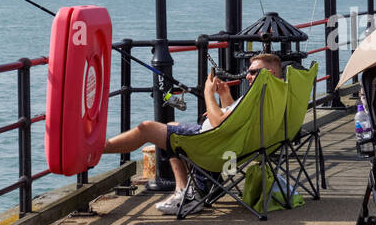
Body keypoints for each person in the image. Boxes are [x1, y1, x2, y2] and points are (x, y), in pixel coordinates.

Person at [105, 53, 285, 214]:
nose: (247, 75)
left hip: (217, 148)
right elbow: (233, 120)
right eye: (249, 71)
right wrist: (224, 95)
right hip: (239, 146)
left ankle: (100, 149)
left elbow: (219, 123)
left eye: (253, 72)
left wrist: (209, 93)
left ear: (269, 73)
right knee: (172, 126)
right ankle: (186, 189)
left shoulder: (256, 95)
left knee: (148, 128)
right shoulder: (271, 95)